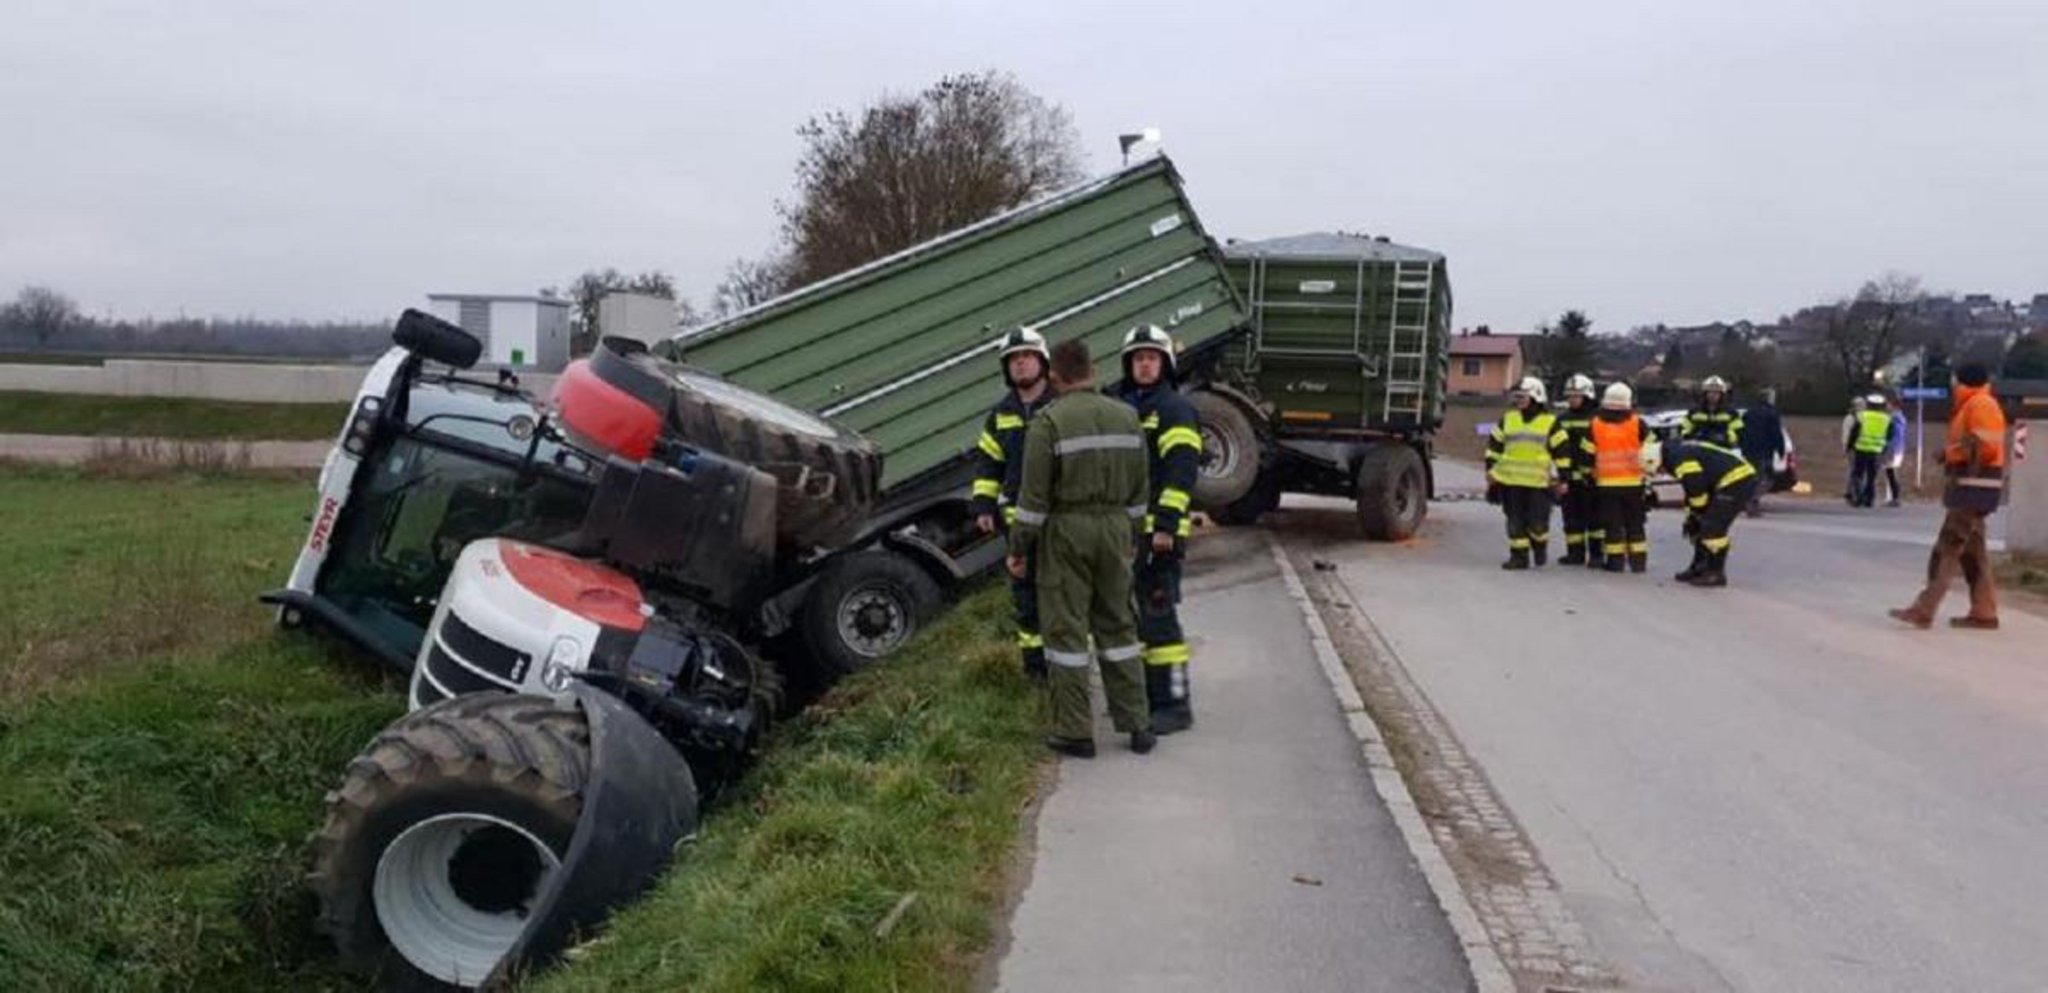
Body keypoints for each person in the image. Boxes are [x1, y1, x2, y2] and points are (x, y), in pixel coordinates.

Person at [1010, 338, 1156, 757]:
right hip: (1115, 528)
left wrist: (1019, 547)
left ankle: (1076, 732)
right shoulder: (1127, 417)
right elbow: (1140, 488)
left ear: (1054, 375)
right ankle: (1137, 724)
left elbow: (1034, 501)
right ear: (1094, 369)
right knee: (1120, 626)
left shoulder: (1048, 422)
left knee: (1065, 631)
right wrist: (1130, 534)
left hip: (1066, 532)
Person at [1117, 324, 1200, 734]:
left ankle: (1174, 704)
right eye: (1138, 358)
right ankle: (1150, 698)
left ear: (1165, 363)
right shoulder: (1124, 406)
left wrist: (1166, 525)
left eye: (1151, 358)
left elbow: (1181, 472)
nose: (1144, 364)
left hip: (1159, 537)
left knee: (1159, 619)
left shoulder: (1174, 409)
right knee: (1136, 620)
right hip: (1128, 535)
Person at [1889, 363, 2007, 631]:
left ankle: (1924, 608)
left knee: (1948, 548)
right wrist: (1950, 453)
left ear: (1961, 381)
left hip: (1973, 487)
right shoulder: (1974, 404)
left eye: (1955, 380)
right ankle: (1984, 611)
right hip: (1973, 487)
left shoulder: (1980, 404)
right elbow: (1974, 442)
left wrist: (1958, 455)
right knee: (1972, 553)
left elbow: (1985, 444)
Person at [968, 326, 1054, 679]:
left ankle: (1074, 672)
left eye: (1026, 357)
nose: (1020, 365)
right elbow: (989, 463)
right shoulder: (1000, 414)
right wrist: (984, 505)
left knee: (1066, 595)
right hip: (1018, 525)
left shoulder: (1061, 403)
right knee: (1026, 599)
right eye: (1013, 360)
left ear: (1042, 361)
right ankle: (1037, 673)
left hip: (1059, 520)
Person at [1484, 376, 1572, 570]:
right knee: (1514, 521)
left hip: (1539, 484)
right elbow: (1494, 448)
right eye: (1518, 397)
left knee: (1537, 525)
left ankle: (1540, 545)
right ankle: (1519, 557)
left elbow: (1562, 452)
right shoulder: (1508, 419)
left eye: (1523, 396)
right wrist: (1491, 471)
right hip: (1510, 482)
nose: (1520, 401)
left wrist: (1564, 478)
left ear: (1536, 397)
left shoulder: (1551, 423)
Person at [1665, 439, 1758, 587]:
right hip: (1724, 481)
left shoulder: (1680, 460)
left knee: (1712, 528)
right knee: (1698, 525)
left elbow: (1695, 489)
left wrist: (1697, 512)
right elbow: (1694, 490)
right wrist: (1692, 515)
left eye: (1658, 469)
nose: (1660, 472)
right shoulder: (1676, 453)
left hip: (1737, 481)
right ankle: (1699, 567)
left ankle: (1716, 574)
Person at [1581, 382, 1652, 573]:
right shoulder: (1639, 424)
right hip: (1634, 484)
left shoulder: (1595, 424)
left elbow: (1586, 455)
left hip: (1606, 485)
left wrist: (1587, 475)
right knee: (1635, 524)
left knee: (1612, 525)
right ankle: (1638, 562)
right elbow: (1652, 452)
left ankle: (1615, 562)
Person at [1555, 374, 1605, 567]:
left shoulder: (1598, 418)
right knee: (1571, 518)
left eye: (1576, 396)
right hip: (1569, 477)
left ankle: (1597, 555)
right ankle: (1574, 554)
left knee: (1596, 519)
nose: (1572, 400)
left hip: (1592, 478)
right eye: (1569, 396)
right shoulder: (1562, 419)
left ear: (1588, 396)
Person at [1738, 387, 1785, 516]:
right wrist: (1781, 450)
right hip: (1764, 451)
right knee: (1766, 478)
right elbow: (1776, 433)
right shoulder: (1772, 413)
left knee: (1752, 477)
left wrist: (1742, 447)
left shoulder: (1749, 413)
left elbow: (1741, 432)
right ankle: (1752, 501)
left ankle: (1749, 500)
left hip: (1749, 450)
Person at [1845, 393, 1893, 508]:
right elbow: (1889, 436)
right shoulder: (1887, 419)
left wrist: (1849, 446)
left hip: (1861, 449)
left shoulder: (1862, 416)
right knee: (1872, 476)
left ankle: (1859, 497)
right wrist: (1884, 447)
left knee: (1858, 475)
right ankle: (1869, 499)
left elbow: (1854, 433)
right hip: (1877, 451)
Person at [1681, 375, 1744, 449]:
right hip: (1698, 450)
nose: (1713, 395)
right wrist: (1693, 436)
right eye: (1710, 392)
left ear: (1722, 395)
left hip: (1722, 451)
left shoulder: (1731, 413)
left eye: (1716, 392)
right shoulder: (1694, 412)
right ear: (1705, 394)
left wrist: (1724, 437)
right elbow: (1684, 429)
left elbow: (1738, 432)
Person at [1883, 395, 1908, 507]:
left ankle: (1895, 497)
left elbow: (1890, 435)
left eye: (1889, 405)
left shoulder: (1893, 418)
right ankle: (1892, 497)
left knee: (1891, 473)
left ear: (1894, 406)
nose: (1887, 407)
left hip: (1893, 448)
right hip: (1898, 448)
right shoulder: (1901, 418)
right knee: (1891, 473)